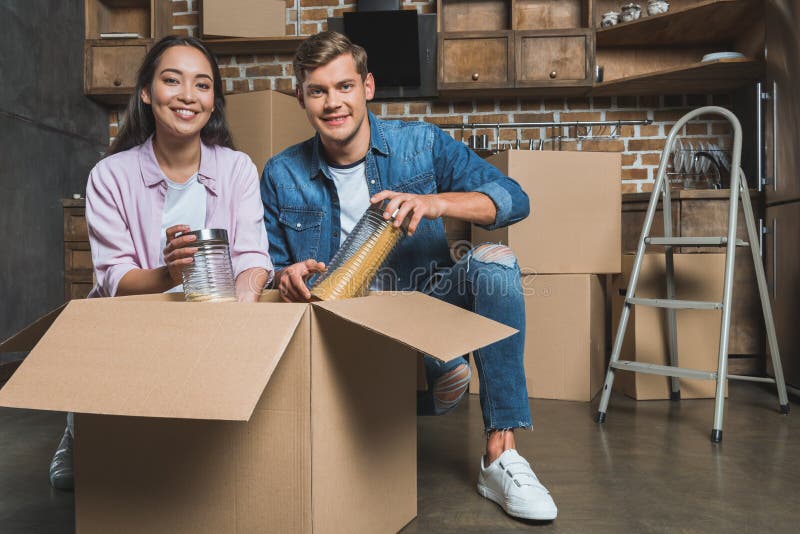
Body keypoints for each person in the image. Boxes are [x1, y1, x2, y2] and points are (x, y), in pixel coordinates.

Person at [260, 31, 557, 521]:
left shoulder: (420, 144)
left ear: (368, 86)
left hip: (425, 308)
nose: (333, 102)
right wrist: (283, 274)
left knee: (496, 265)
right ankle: (433, 373)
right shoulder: (280, 173)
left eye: (344, 86)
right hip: (338, 326)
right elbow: (266, 269)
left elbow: (514, 198)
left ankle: (501, 455)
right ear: (301, 98)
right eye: (318, 91)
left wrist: (435, 202)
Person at [48, 35, 273, 490]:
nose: (188, 95)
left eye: (202, 85)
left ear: (214, 100)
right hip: (132, 328)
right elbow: (114, 278)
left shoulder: (237, 169)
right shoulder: (110, 176)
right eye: (172, 80)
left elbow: (252, 255)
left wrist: (243, 319)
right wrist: (169, 275)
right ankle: (77, 426)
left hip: (212, 323)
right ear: (147, 93)